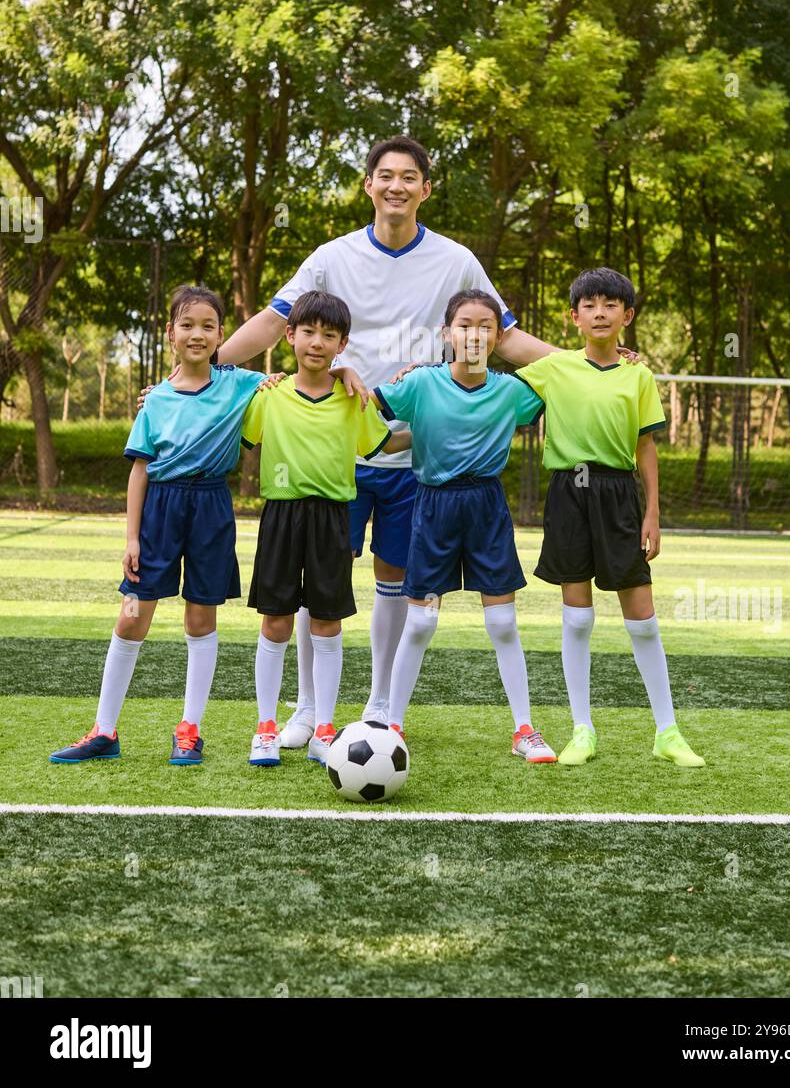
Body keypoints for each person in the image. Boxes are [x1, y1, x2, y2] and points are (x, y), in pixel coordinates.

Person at [214, 135, 637, 744]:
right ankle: (307, 708)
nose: (396, 186)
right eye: (385, 175)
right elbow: (277, 322)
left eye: (409, 177)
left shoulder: (456, 261)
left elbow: (508, 340)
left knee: (396, 580)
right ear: (368, 184)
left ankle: (381, 704)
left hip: (416, 459)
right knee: (317, 578)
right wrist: (197, 375)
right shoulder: (331, 257)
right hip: (335, 449)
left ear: (424, 189)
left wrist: (588, 361)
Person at [49, 285, 280, 767]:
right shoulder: (155, 400)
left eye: (208, 326)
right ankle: (104, 730)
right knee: (133, 614)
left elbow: (291, 381)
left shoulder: (241, 384)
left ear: (221, 335)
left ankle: (190, 730)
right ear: (171, 333)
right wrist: (131, 537)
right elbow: (139, 470)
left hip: (212, 507)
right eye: (187, 325)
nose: (197, 333)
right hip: (159, 509)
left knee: (200, 617)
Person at [351, 289, 557, 761]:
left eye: (486, 325)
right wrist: (352, 385)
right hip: (432, 507)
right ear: (447, 333)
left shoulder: (513, 390)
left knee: (503, 621)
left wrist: (610, 357)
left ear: (498, 335)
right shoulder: (420, 383)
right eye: (465, 324)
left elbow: (571, 380)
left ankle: (524, 729)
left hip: (486, 507)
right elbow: (362, 406)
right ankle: (392, 725)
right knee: (421, 622)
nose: (475, 334)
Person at [513, 267, 705, 767]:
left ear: (628, 315)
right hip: (567, 492)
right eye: (590, 305)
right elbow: (488, 368)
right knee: (577, 616)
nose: (600, 313)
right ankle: (582, 729)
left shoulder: (638, 374)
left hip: (620, 496)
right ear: (572, 317)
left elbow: (645, 447)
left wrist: (653, 513)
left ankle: (667, 730)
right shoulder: (552, 369)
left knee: (641, 617)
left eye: (611, 305)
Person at [241, 290, 411, 768]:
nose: (317, 342)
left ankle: (325, 728)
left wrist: (437, 427)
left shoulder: (352, 399)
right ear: (290, 335)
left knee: (326, 622)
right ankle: (267, 727)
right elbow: (230, 415)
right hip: (281, 518)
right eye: (308, 332)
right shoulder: (268, 395)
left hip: (333, 519)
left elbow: (385, 443)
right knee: (275, 622)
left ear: (342, 345)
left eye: (329, 335)